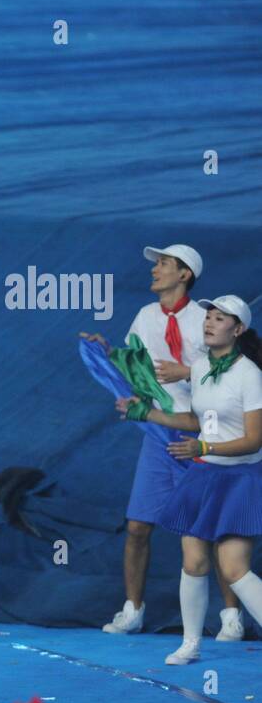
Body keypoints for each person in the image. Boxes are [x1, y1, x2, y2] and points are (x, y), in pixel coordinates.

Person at [82, 244, 243, 637]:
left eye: (164, 265)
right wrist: (108, 354)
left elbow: (228, 375)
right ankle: (133, 610)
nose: (155, 271)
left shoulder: (207, 320)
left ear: (184, 274)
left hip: (205, 433)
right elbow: (137, 366)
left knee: (216, 529)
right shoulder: (144, 316)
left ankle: (231, 616)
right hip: (159, 433)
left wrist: (186, 372)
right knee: (138, 526)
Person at [117, 295, 262, 663]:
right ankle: (191, 644)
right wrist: (148, 413)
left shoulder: (250, 375)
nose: (210, 322)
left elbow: (254, 439)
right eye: (208, 316)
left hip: (240, 477)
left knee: (233, 569)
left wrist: (204, 446)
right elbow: (198, 423)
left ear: (238, 329)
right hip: (203, 474)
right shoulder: (198, 368)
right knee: (193, 562)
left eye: (220, 318)